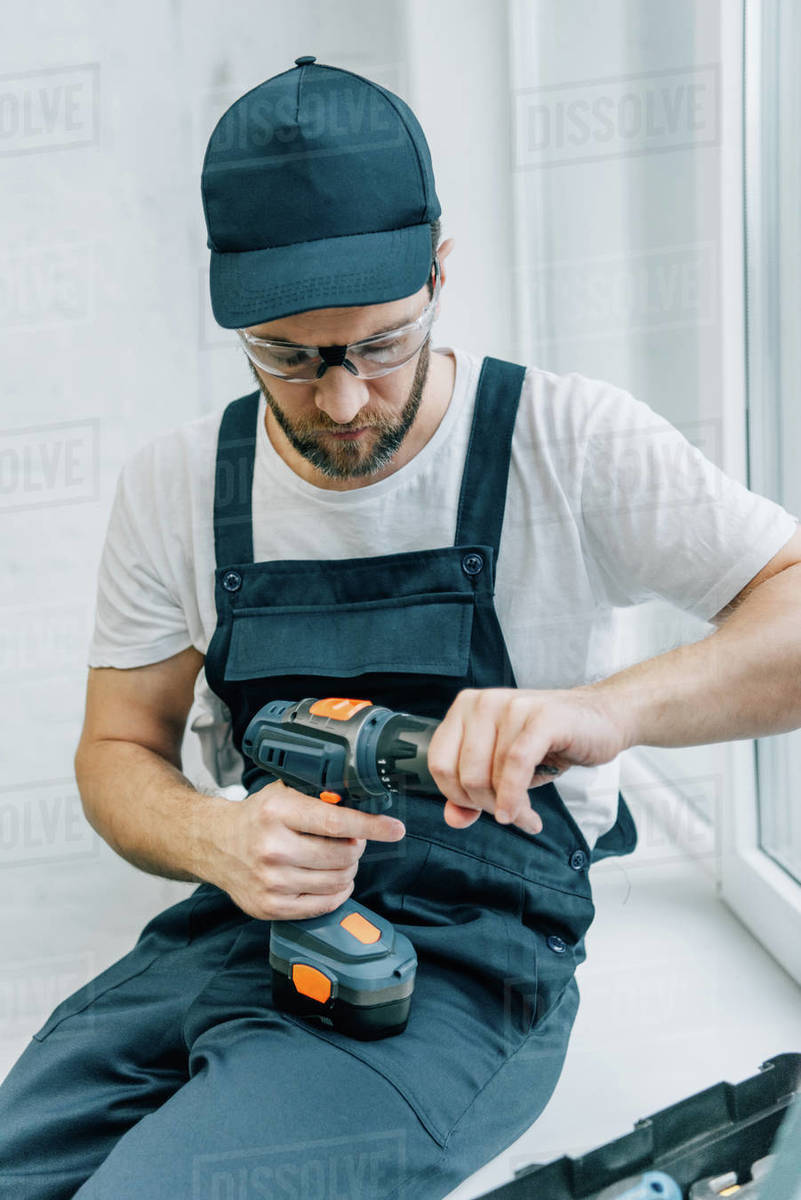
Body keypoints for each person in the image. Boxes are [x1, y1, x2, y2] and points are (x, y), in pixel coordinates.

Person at [1, 56, 799, 1200]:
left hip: (462, 961)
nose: (340, 400)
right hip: (239, 920)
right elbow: (115, 748)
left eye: (380, 345)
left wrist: (605, 712)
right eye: (289, 356)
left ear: (439, 271)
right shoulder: (174, 487)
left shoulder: (568, 441)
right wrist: (212, 837)